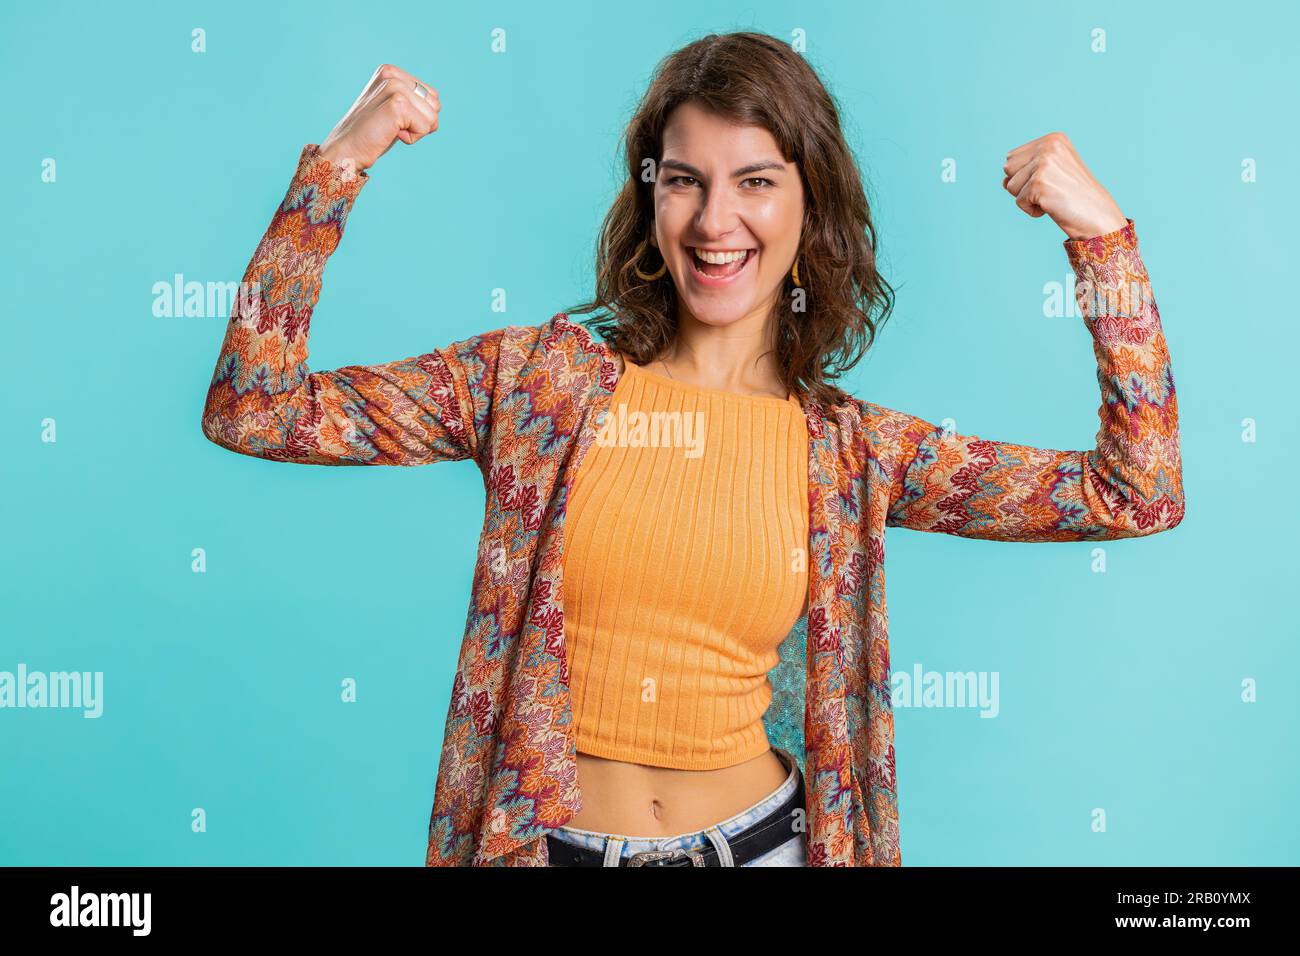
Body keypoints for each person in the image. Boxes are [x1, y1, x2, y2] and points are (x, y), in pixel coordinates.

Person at [200, 32, 1184, 867]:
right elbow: (257, 407)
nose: (717, 221)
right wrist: (338, 164)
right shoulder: (537, 387)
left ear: (809, 203)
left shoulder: (852, 451)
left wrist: (1100, 239)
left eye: (755, 181)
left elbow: (1134, 491)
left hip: (767, 843)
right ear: (651, 196)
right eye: (685, 182)